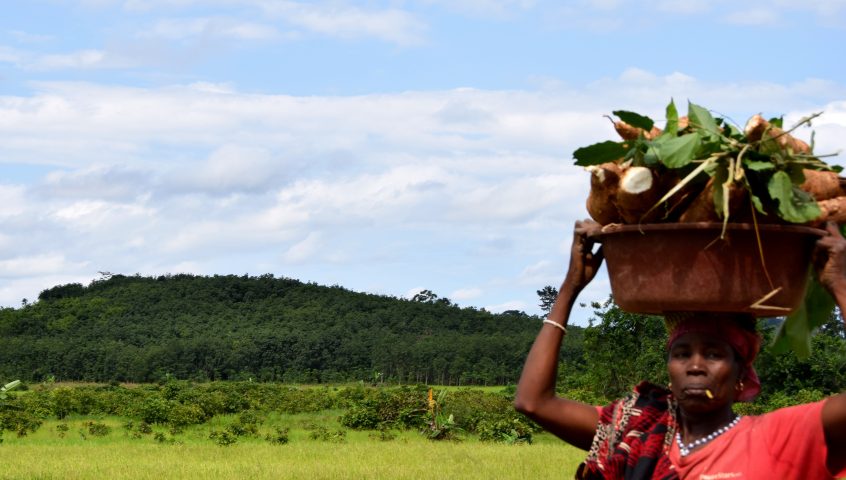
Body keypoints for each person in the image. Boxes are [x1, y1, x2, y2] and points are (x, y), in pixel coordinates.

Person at [514, 219, 846, 479]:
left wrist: (839, 283)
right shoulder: (637, 430)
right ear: (669, 367)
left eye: (714, 354)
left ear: (742, 373)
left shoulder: (775, 437)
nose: (695, 365)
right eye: (682, 353)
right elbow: (533, 401)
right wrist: (572, 285)